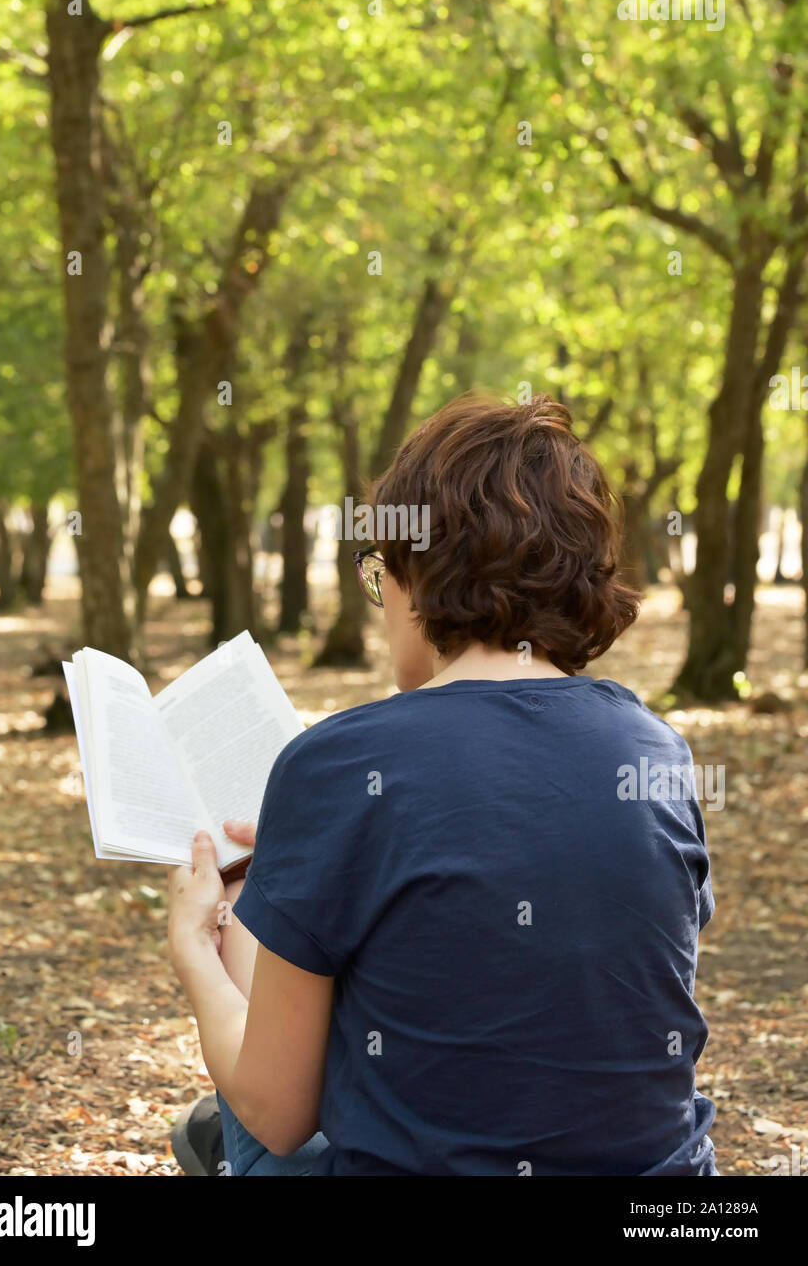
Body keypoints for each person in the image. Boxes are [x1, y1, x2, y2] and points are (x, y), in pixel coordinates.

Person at [168, 392, 717, 1177]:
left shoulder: (342, 762)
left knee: (236, 1129)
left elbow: (282, 1112)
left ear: (416, 574)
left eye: (377, 572)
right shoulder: (657, 751)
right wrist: (288, 890)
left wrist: (197, 945)